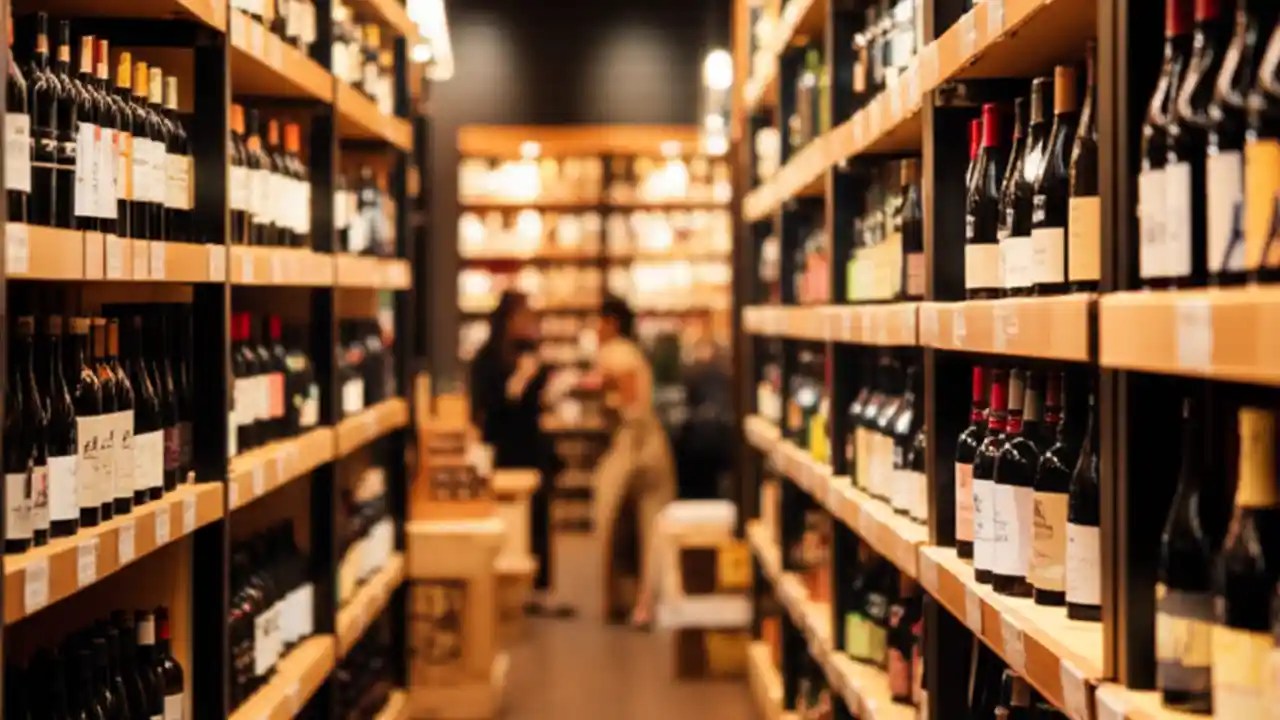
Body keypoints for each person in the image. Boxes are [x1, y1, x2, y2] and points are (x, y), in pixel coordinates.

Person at [469, 291, 571, 616]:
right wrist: (519, 381)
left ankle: (539, 589)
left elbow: (536, 402)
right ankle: (506, 584)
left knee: (539, 516)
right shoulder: (488, 359)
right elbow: (490, 406)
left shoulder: (530, 353)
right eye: (523, 317)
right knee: (508, 517)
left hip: (532, 448)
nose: (529, 323)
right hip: (504, 448)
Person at [592, 297, 676, 628]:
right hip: (654, 444)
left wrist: (612, 399)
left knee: (606, 519)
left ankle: (617, 600)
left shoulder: (615, 350)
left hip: (632, 442)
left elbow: (627, 390)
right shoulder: (635, 351)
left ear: (611, 323)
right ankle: (646, 604)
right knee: (653, 529)